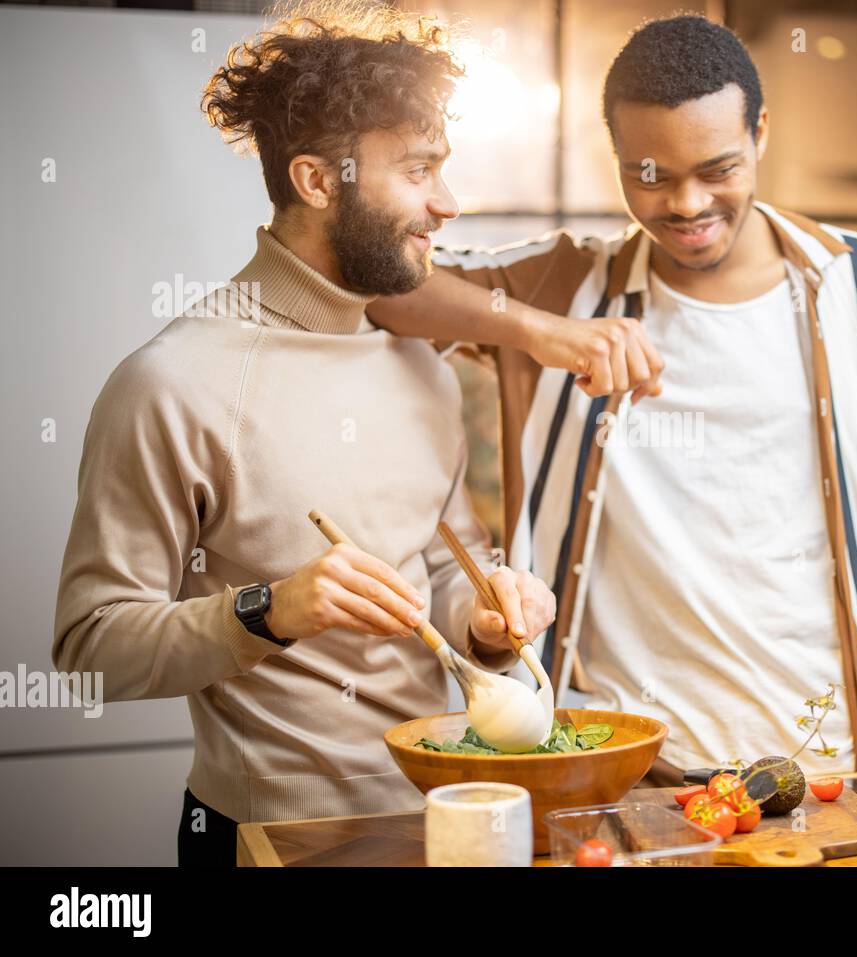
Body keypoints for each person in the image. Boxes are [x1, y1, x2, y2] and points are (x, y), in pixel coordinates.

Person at [369, 15, 857, 782]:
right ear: (619, 160)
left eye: (718, 168)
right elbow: (382, 285)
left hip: (841, 766)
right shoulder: (568, 284)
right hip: (629, 771)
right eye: (650, 175)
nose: (688, 204)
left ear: (761, 132)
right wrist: (543, 332)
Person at [52, 2, 560, 867]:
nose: (448, 201)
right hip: (263, 840)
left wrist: (482, 621)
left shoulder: (422, 369)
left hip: (436, 821)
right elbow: (89, 648)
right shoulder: (172, 382)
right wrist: (271, 611)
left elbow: (440, 562)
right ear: (320, 182)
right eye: (420, 169)